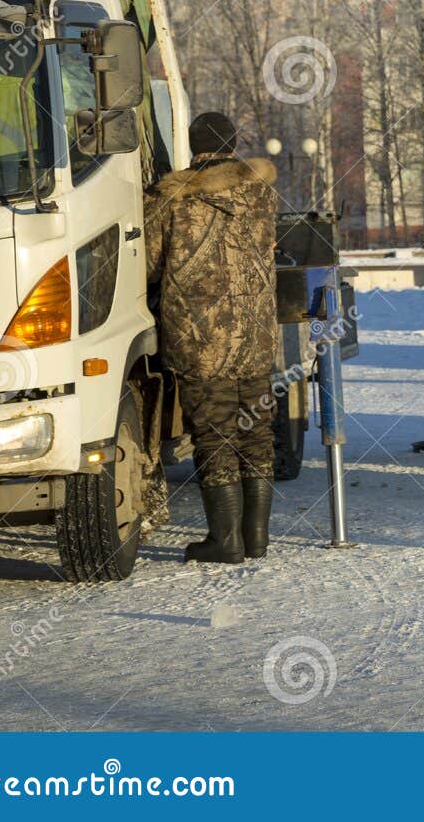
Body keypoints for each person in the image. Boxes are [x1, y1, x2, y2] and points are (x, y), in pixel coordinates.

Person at [145, 111, 280, 562]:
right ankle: (256, 538)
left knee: (215, 436)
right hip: (256, 337)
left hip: (201, 341)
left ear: (192, 143)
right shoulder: (261, 191)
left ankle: (226, 541)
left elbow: (149, 263)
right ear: (233, 142)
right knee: (257, 434)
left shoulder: (171, 199)